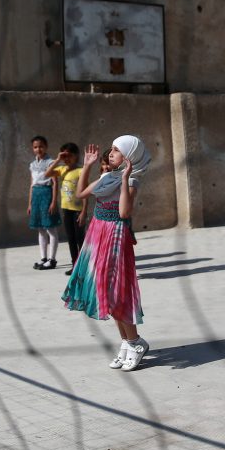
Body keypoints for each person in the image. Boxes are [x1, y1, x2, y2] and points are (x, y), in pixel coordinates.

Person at [62, 136, 152, 371]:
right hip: (97, 233)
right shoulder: (106, 176)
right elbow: (80, 194)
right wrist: (88, 165)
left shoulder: (131, 180)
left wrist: (124, 179)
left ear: (129, 157)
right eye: (110, 149)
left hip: (114, 236)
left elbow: (124, 212)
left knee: (116, 291)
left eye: (116, 150)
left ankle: (135, 342)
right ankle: (126, 341)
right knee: (104, 290)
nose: (110, 153)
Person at [44, 143, 88, 276]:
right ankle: (75, 265)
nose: (67, 158)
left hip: (78, 210)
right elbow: (47, 174)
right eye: (64, 156)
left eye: (69, 155)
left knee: (80, 239)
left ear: (76, 155)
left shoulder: (81, 171)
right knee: (71, 238)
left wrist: (84, 211)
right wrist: (57, 159)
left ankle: (84, 266)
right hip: (66, 210)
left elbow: (85, 191)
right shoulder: (62, 169)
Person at [27, 135, 61, 270]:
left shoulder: (52, 162)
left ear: (46, 147)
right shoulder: (32, 164)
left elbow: (55, 183)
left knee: (50, 228)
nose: (38, 149)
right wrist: (30, 203)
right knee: (40, 228)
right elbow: (31, 184)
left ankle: (52, 259)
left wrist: (53, 201)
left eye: (41, 146)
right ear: (32, 149)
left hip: (47, 194)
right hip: (36, 195)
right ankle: (43, 258)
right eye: (35, 147)